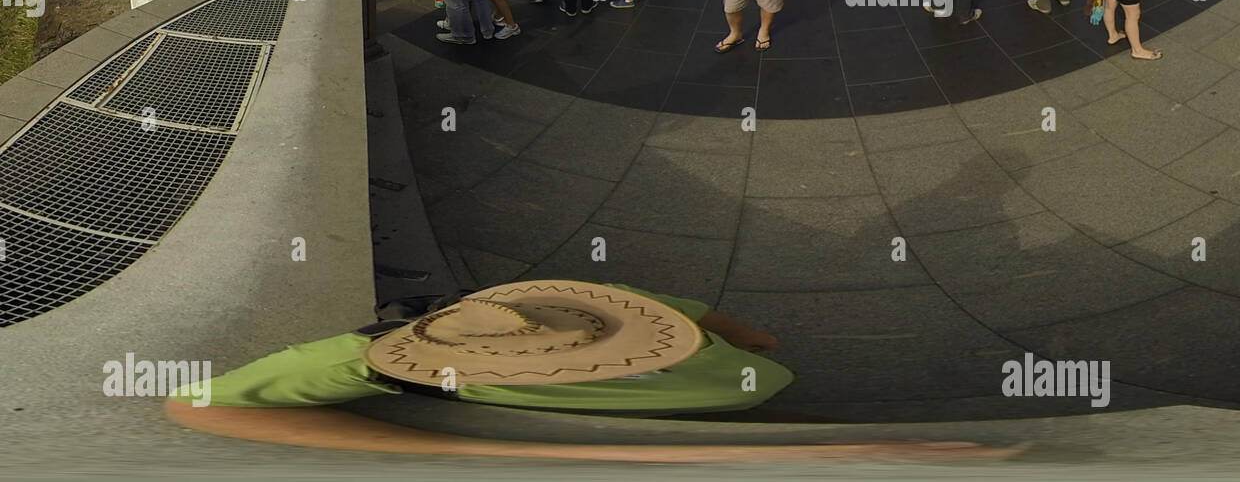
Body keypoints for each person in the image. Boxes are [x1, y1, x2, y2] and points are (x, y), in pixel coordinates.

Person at [162, 278, 1004, 463]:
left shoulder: (385, 367)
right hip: (739, 394)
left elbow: (199, 404)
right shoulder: (610, 303)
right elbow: (743, 333)